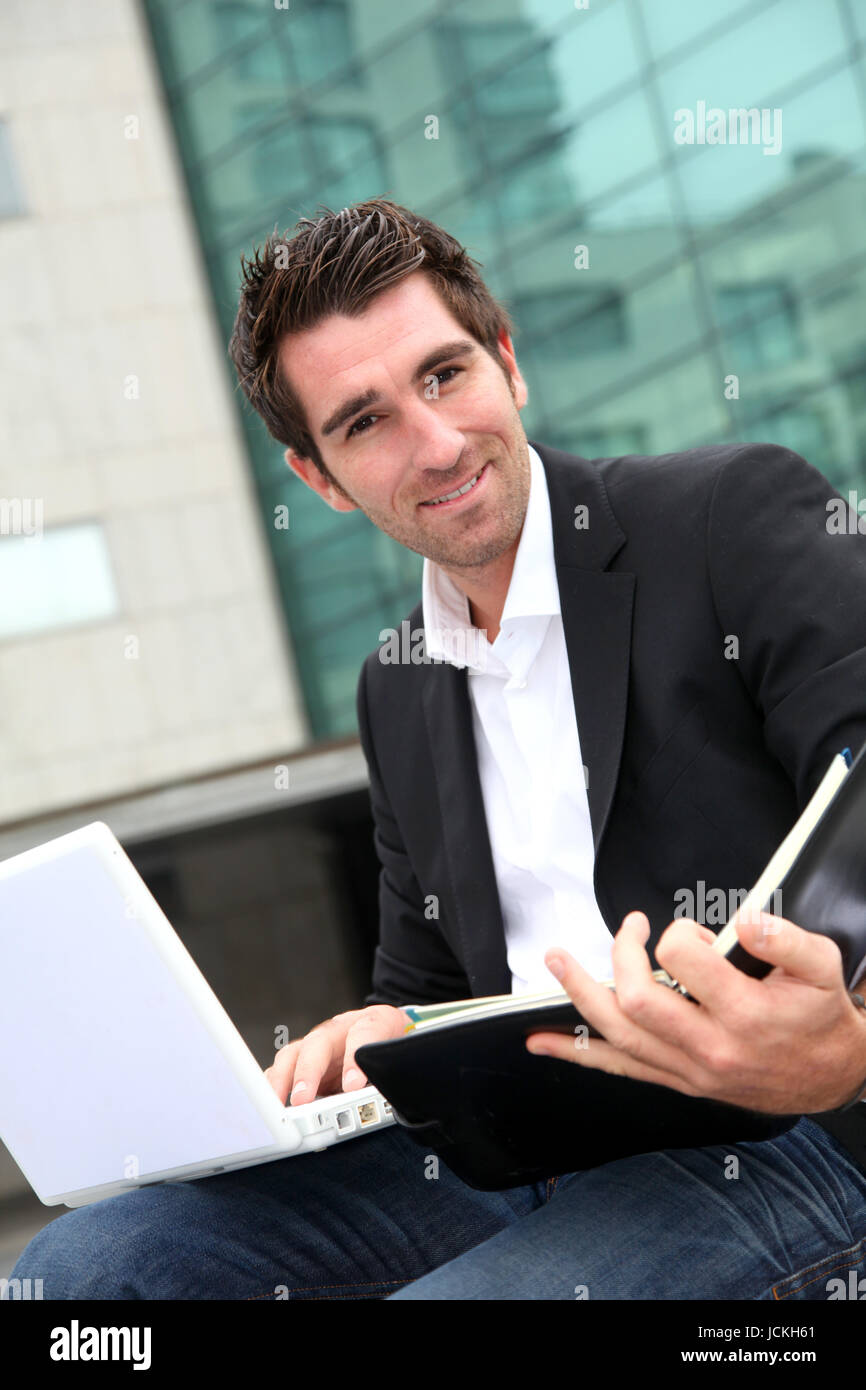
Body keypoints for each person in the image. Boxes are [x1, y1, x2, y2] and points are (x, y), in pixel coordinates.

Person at [8, 198, 866, 1301]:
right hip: (500, 1146)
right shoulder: (397, 681)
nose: (436, 442)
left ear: (506, 359)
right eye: (362, 421)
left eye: (443, 374)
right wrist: (381, 1029)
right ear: (317, 477)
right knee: (81, 1274)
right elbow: (422, 988)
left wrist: (847, 1046)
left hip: (766, 1137)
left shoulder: (726, 517)